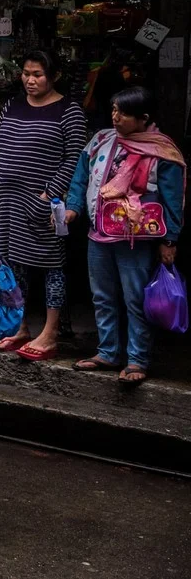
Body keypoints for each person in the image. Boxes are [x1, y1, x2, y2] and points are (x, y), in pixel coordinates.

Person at [65, 86, 185, 386]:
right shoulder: (101, 141)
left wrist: (170, 240)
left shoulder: (162, 151)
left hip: (137, 241)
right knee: (102, 297)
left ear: (143, 118)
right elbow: (81, 177)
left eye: (124, 113)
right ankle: (107, 351)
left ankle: (137, 359)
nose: (115, 117)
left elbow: (173, 200)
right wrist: (74, 207)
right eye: (114, 110)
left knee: (135, 300)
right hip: (99, 235)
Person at [0, 51, 87, 361]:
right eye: (26, 73)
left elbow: (75, 158)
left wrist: (48, 194)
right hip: (7, 202)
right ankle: (19, 327)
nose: (30, 79)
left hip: (43, 203)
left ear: (53, 76)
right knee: (11, 265)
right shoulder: (12, 105)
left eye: (38, 74)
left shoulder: (69, 111)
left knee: (51, 267)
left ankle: (50, 332)